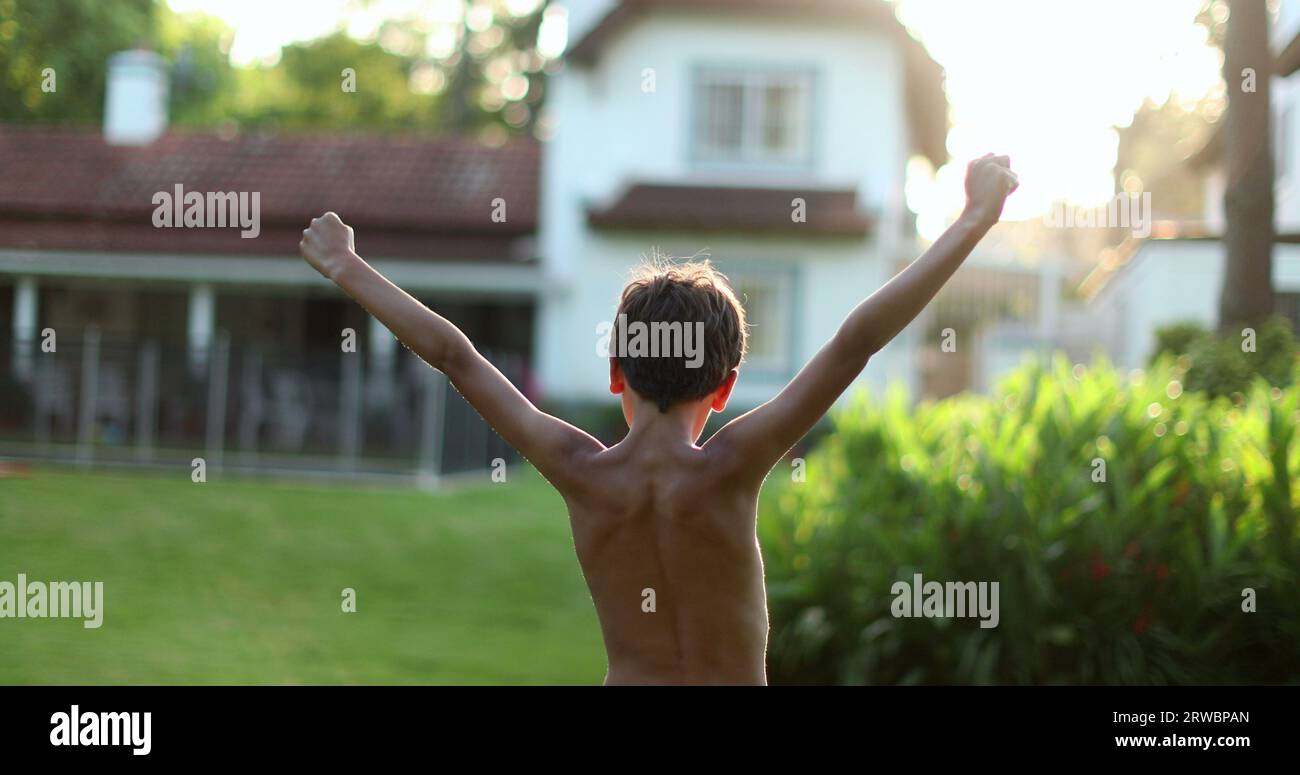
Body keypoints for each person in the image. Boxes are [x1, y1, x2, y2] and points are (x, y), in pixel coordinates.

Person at [299, 154, 1019, 685]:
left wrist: (349, 268)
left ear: (617, 373)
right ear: (727, 384)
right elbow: (856, 342)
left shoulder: (578, 470)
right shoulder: (733, 465)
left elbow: (456, 357)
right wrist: (973, 220)